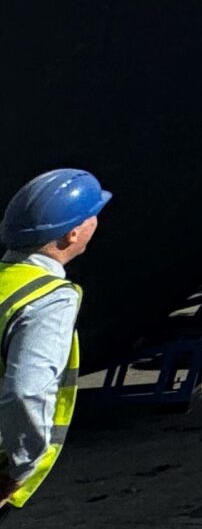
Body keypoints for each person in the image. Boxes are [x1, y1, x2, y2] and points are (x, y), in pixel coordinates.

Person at [2, 168, 109, 513]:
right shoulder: (49, 299)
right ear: (72, 235)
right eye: (94, 216)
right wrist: (17, 469)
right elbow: (26, 392)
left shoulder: (8, 281)